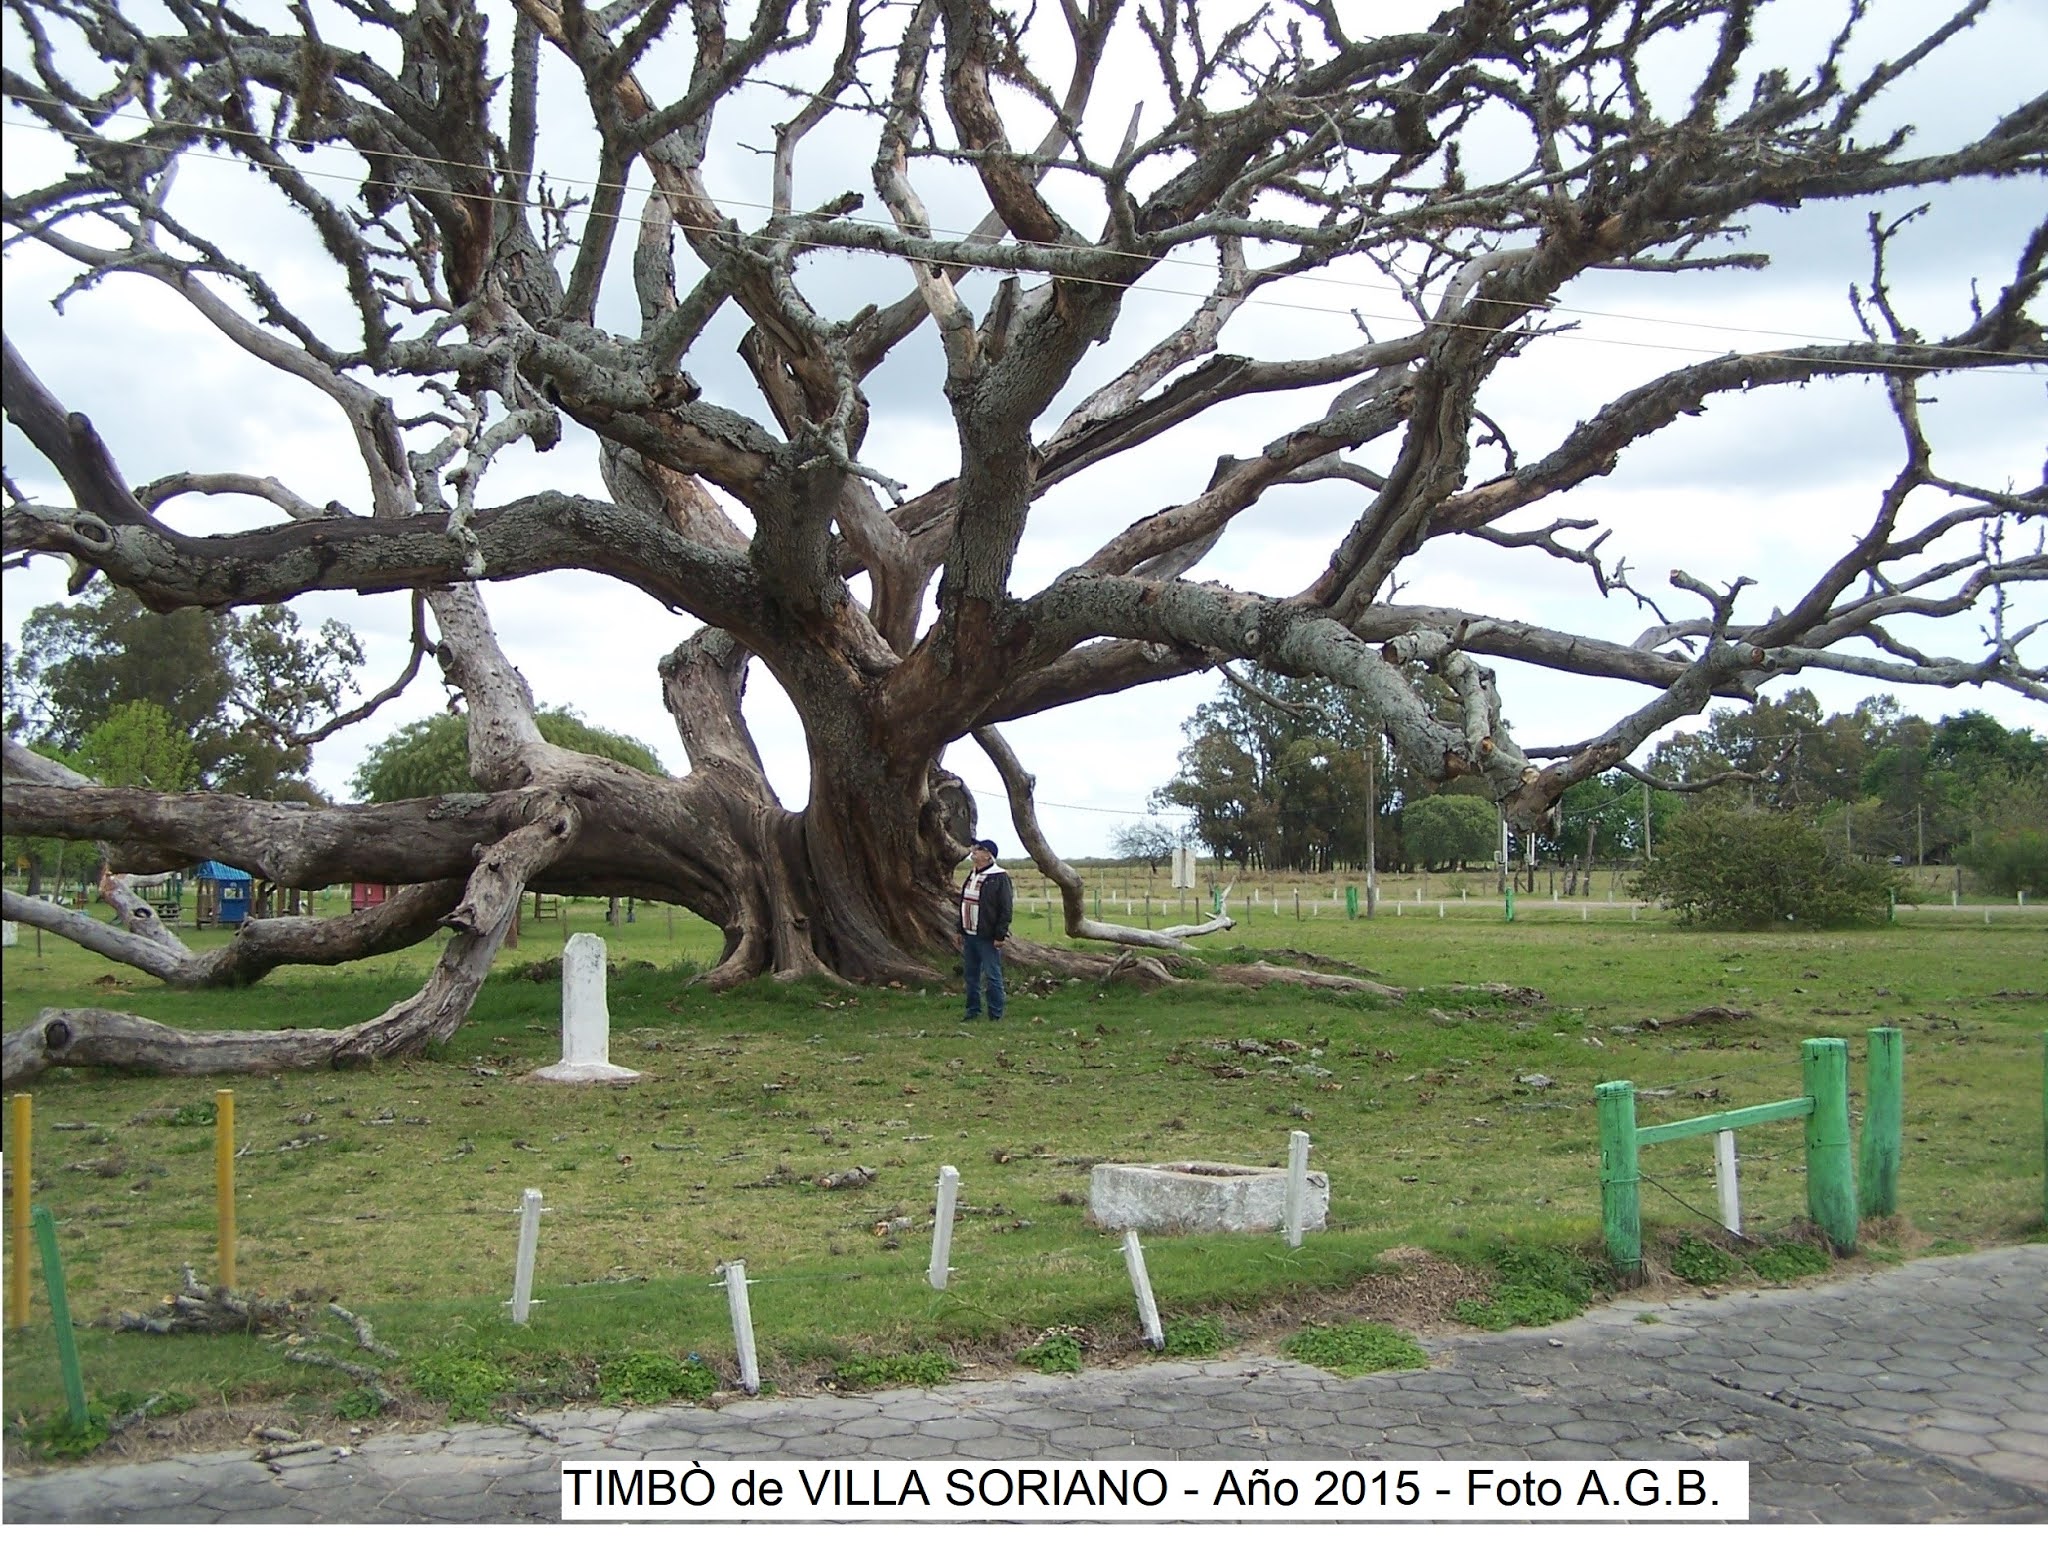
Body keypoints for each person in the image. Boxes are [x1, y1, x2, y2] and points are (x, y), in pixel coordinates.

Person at [957, 838, 1012, 1022]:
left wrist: (1000, 934)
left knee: (992, 975)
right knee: (971, 976)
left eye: (979, 849)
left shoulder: (999, 877)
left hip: (987, 936)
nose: (974, 850)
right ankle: (973, 1011)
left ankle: (995, 1014)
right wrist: (961, 929)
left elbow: (1005, 909)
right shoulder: (972, 874)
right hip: (969, 934)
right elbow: (964, 903)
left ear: (989, 855)